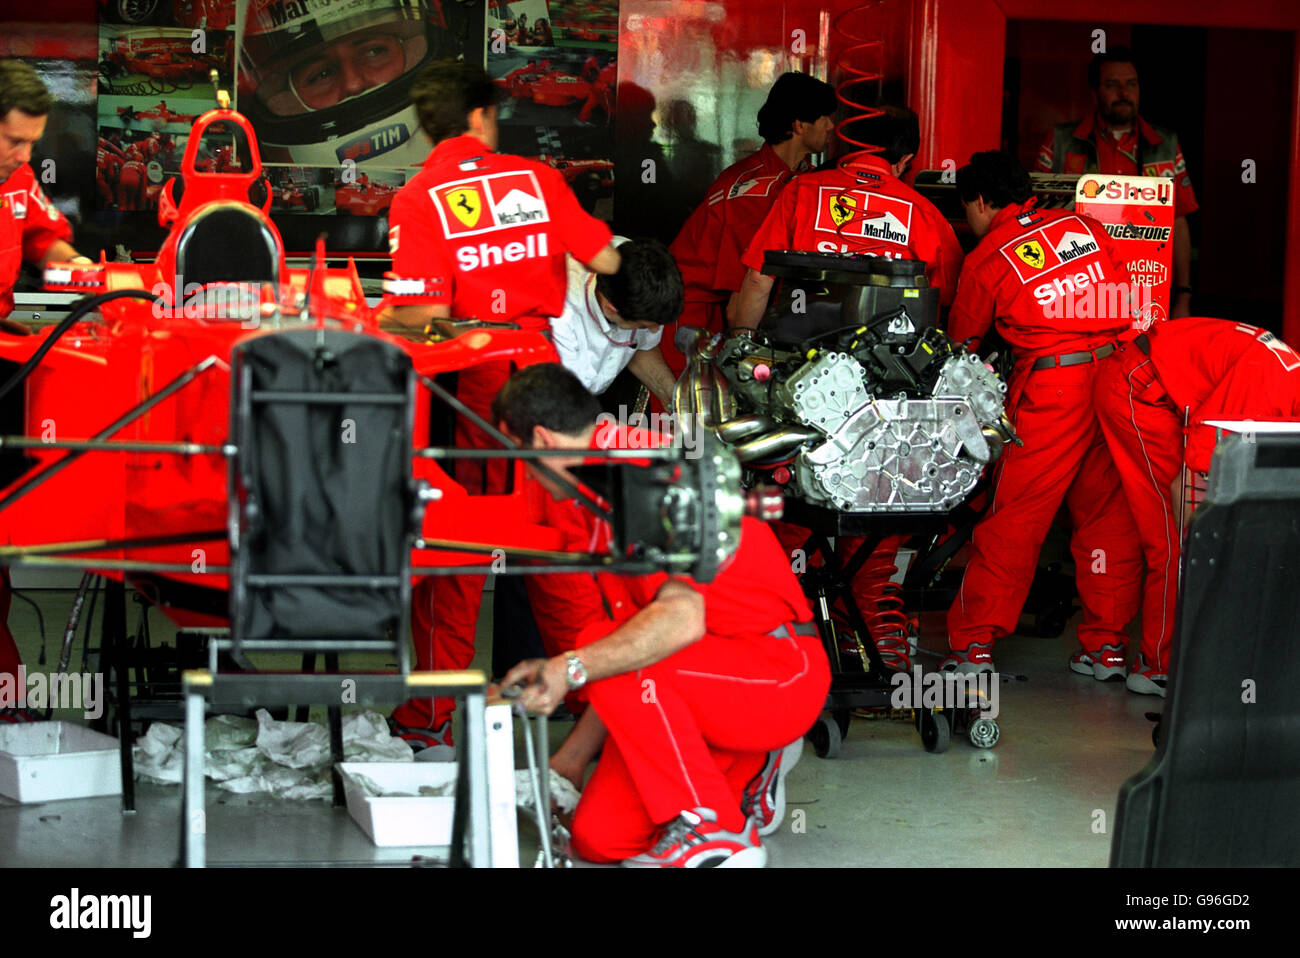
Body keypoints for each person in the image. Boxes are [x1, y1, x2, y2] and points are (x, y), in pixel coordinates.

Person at [494, 364, 830, 867]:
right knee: (599, 840)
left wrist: (567, 669)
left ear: (542, 438)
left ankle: (717, 830)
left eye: (520, 455)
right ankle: (749, 773)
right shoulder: (596, 485)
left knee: (610, 647)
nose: (522, 469)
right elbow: (626, 643)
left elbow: (676, 623)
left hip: (778, 673)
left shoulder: (653, 473)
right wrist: (569, 763)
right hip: (708, 682)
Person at [381, 59, 620, 758]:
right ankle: (605, 707)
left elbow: (423, 313)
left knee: (457, 550)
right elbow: (605, 260)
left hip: (477, 387)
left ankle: (427, 722)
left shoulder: (420, 196)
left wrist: (393, 320)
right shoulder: (539, 180)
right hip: (547, 381)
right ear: (482, 116)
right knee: (560, 544)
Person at [942, 150, 1145, 683]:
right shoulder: (1085, 227)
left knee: (1016, 517)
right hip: (1118, 376)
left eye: (969, 211)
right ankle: (1107, 649)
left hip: (1055, 389)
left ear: (982, 202)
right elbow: (1126, 294)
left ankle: (974, 645)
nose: (971, 222)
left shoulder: (988, 256)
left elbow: (959, 349)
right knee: (1108, 518)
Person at [1093, 318, 1300, 695]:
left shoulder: (1287, 394)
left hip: (1162, 388)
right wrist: (1207, 562)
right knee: (1173, 537)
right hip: (1137, 387)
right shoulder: (1265, 391)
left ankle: (1108, 647)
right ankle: (1158, 665)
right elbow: (1186, 484)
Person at [0, 59, 90, 721]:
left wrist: (82, 268)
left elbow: (44, 239)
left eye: (32, 142)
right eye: (12, 141)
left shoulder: (16, 177)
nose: (24, 155)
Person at [663, 71, 837, 375]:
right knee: (693, 416)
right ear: (799, 125)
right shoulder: (755, 191)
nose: (831, 126)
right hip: (691, 317)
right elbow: (740, 302)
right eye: (824, 118)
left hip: (726, 317)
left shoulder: (799, 177)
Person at [733, 104, 963, 330]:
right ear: (905, 160)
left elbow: (758, 277)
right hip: (879, 353)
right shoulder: (926, 213)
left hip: (797, 335)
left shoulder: (801, 190)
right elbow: (944, 301)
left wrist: (741, 342)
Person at [1035, 46, 1197, 319]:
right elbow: (1036, 217)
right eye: (1112, 85)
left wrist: (1183, 295)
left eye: (1131, 84)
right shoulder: (1061, 141)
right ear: (1095, 92)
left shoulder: (1165, 144)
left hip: (1147, 283)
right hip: (1075, 282)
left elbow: (1178, 220)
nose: (1124, 93)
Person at [549, 236, 681, 404]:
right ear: (610, 309)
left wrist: (671, 393)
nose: (655, 330)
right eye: (643, 326)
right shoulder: (560, 316)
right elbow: (562, 407)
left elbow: (640, 346)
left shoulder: (635, 265)